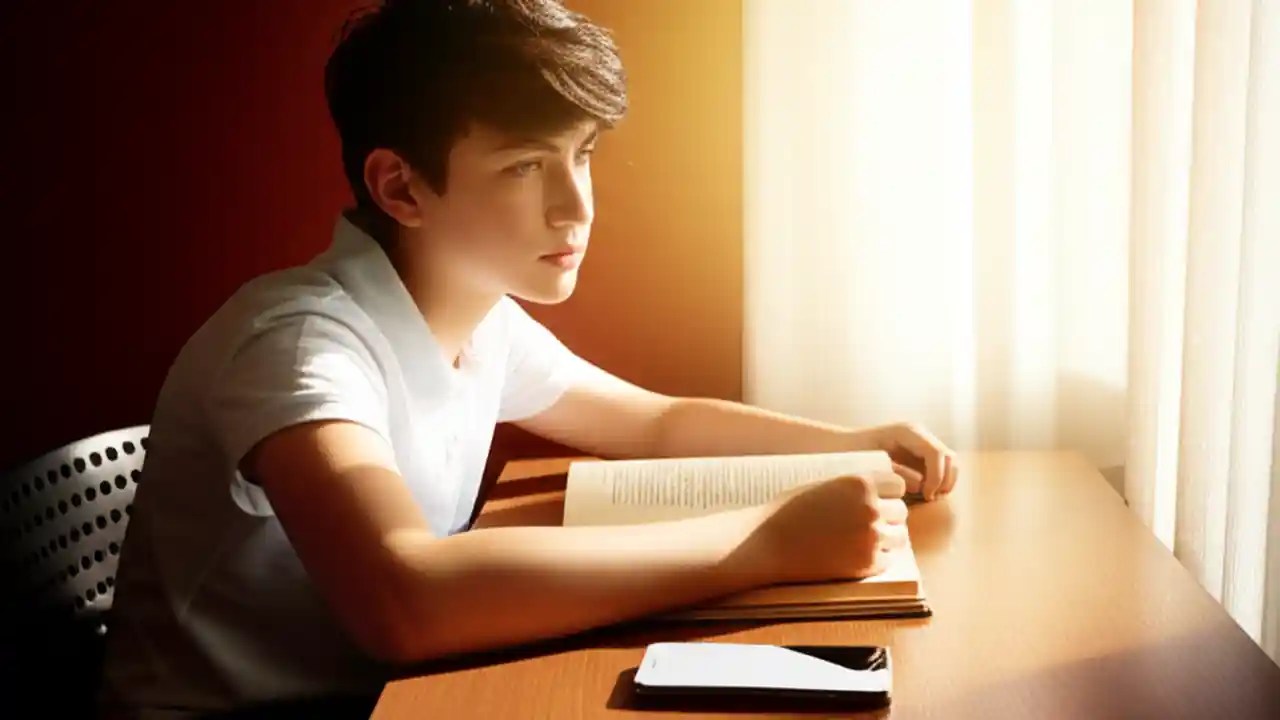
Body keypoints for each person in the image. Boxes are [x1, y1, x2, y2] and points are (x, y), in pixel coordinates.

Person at [99, 0, 960, 716]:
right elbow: (408, 598)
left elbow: (652, 424)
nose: (574, 205)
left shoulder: (481, 318)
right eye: (524, 166)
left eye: (583, 154)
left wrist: (851, 443)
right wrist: (765, 545)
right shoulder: (296, 346)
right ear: (401, 186)